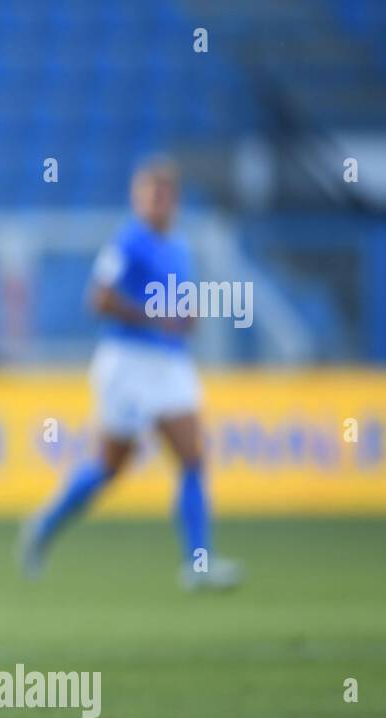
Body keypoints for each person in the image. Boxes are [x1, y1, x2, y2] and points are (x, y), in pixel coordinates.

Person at [19, 156, 241, 591]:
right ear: (137, 200)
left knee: (193, 456)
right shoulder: (128, 244)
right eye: (150, 195)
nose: (158, 203)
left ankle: (198, 564)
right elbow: (98, 299)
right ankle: (45, 525)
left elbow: (179, 307)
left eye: (165, 194)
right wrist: (155, 315)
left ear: (174, 200)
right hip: (129, 363)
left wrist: (186, 316)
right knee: (110, 466)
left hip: (170, 363)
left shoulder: (179, 247)